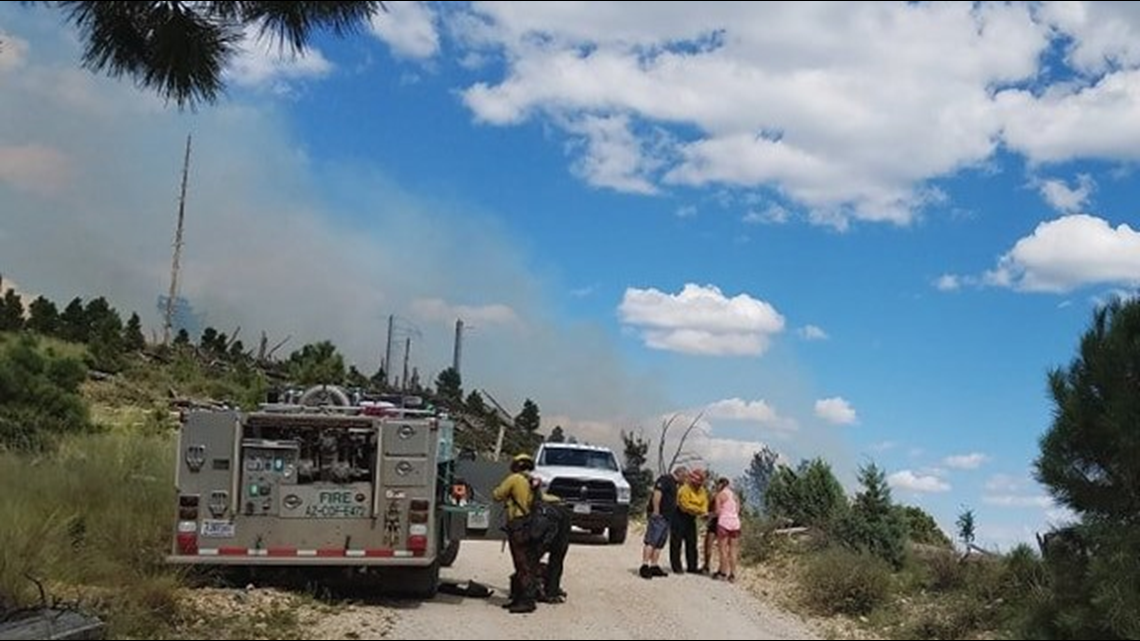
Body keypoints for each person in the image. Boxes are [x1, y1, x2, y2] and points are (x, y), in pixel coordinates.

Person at [492, 453, 541, 613]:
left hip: (518, 525)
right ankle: (519, 598)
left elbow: (497, 495)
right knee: (527, 562)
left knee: (521, 563)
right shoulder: (532, 481)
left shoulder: (514, 479)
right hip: (531, 524)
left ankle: (526, 601)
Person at [639, 466, 686, 579]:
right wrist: (656, 510)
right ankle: (644, 565)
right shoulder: (665, 479)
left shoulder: (675, 484)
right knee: (652, 540)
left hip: (667, 517)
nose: (685, 480)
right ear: (680, 474)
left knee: (660, 542)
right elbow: (657, 493)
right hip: (659, 516)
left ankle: (654, 565)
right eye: (685, 477)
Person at [672, 469, 709, 574]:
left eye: (700, 482)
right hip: (679, 516)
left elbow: (704, 504)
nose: (698, 484)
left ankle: (692, 566)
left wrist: (701, 511)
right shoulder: (684, 489)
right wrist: (699, 510)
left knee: (692, 542)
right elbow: (684, 505)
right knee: (676, 542)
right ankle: (676, 566)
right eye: (696, 482)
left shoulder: (702, 491)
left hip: (691, 518)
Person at [713, 476, 742, 582]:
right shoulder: (735, 496)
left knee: (723, 549)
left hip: (724, 523)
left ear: (720, 484)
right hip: (735, 523)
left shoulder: (720, 495)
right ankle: (733, 574)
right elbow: (737, 510)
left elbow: (717, 512)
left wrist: (710, 515)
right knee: (733, 550)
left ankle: (723, 572)